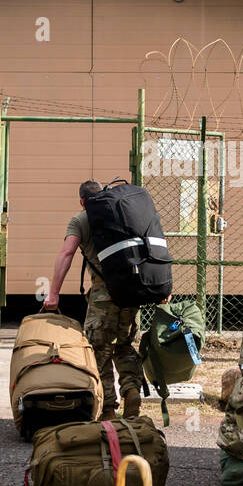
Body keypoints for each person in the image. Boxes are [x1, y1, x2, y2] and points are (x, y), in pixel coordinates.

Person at [43, 180, 142, 422]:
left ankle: (108, 408)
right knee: (125, 346)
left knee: (100, 350)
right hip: (131, 291)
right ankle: (132, 390)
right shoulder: (123, 213)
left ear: (81, 201)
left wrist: (54, 292)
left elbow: (67, 253)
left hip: (103, 294)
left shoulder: (80, 219)